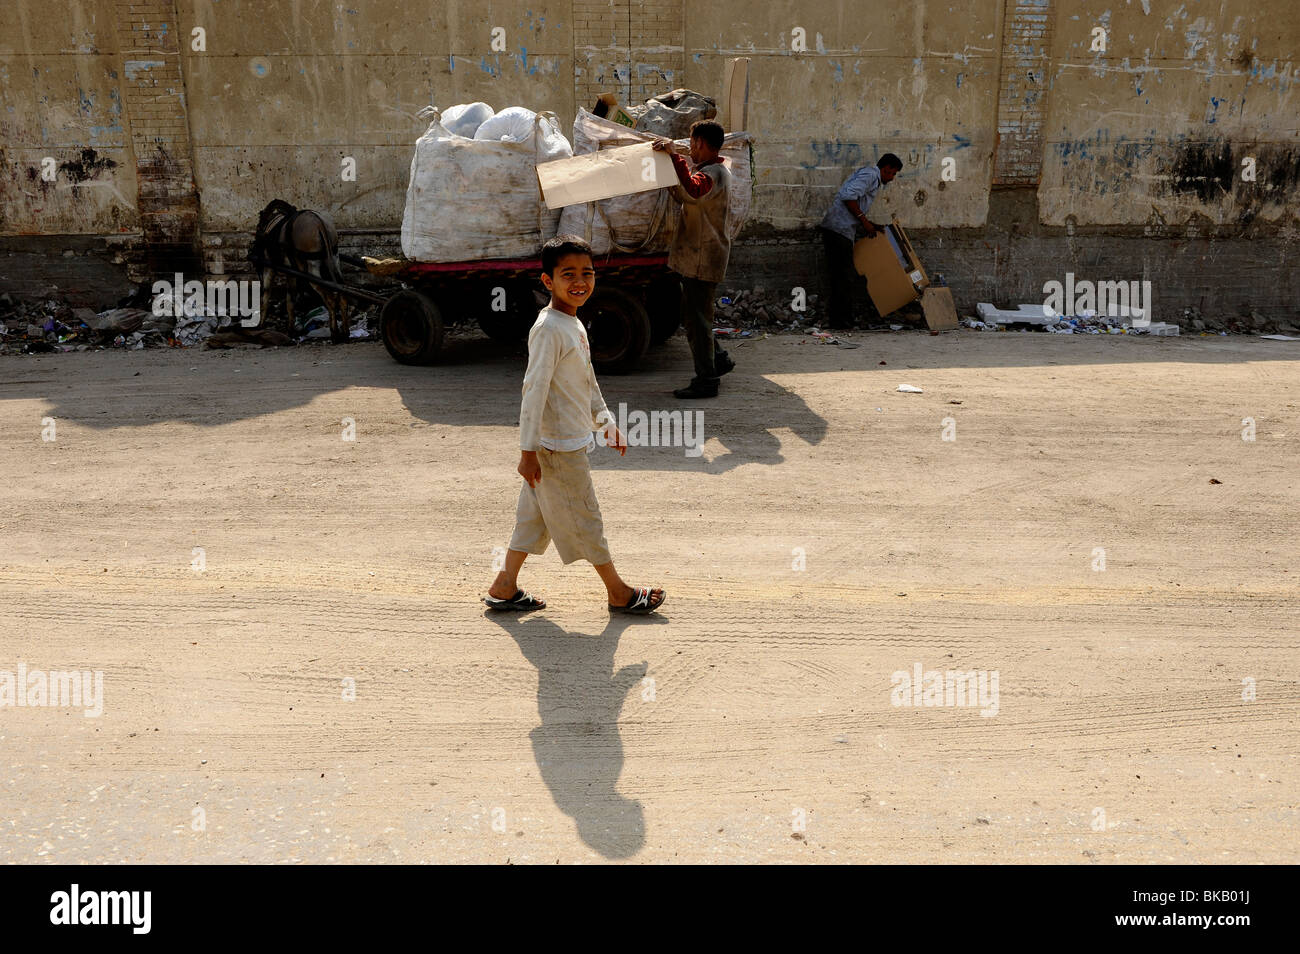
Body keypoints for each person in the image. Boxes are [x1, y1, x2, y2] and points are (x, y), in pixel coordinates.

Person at [483, 236, 666, 615]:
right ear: (548, 281)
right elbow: (532, 392)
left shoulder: (573, 323)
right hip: (557, 449)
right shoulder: (549, 329)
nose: (580, 282)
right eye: (569, 274)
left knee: (532, 520)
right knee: (587, 518)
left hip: (558, 444)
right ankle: (618, 592)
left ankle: (504, 585)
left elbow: (586, 378)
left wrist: (605, 422)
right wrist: (527, 452)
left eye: (587, 273)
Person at [652, 121, 735, 399]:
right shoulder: (715, 171)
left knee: (697, 320)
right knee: (694, 317)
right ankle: (718, 360)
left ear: (700, 142)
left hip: (703, 259)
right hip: (702, 256)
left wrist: (674, 155)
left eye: (692, 142)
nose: (690, 149)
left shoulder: (712, 174)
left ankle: (706, 380)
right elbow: (688, 192)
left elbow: (692, 190)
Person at [819, 153, 903, 328]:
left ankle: (841, 320)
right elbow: (848, 197)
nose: (893, 178)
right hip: (838, 229)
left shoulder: (870, 175)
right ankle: (840, 322)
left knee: (840, 277)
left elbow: (854, 202)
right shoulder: (871, 175)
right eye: (892, 173)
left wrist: (872, 224)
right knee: (842, 277)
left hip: (839, 229)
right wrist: (865, 223)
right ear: (885, 168)